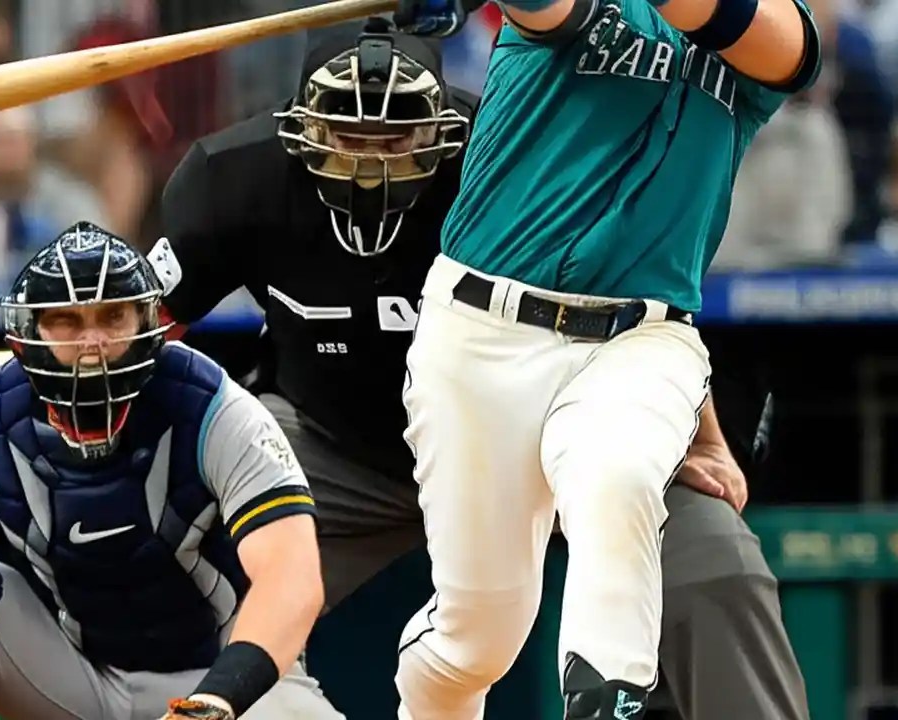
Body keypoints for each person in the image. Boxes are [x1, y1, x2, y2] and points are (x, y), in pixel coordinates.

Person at [156, 18, 808, 720]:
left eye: (400, 133)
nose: (371, 157)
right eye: (346, 133)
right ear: (299, 123)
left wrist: (693, 426)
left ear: (444, 120)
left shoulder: (512, 140)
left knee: (717, 567)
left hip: (550, 433)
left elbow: (629, 301)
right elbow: (143, 336)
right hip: (339, 454)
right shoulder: (233, 176)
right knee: (184, 584)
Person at [378, 0, 822, 716]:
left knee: (614, 479)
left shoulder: (777, 25)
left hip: (642, 339)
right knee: (478, 638)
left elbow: (770, 42)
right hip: (485, 332)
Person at [0, 221, 345, 720]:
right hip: (80, 680)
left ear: (149, 324)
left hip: (218, 681)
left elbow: (293, 579)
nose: (92, 344)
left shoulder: (216, 409)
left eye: (112, 317)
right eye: (67, 320)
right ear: (26, 334)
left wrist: (216, 703)